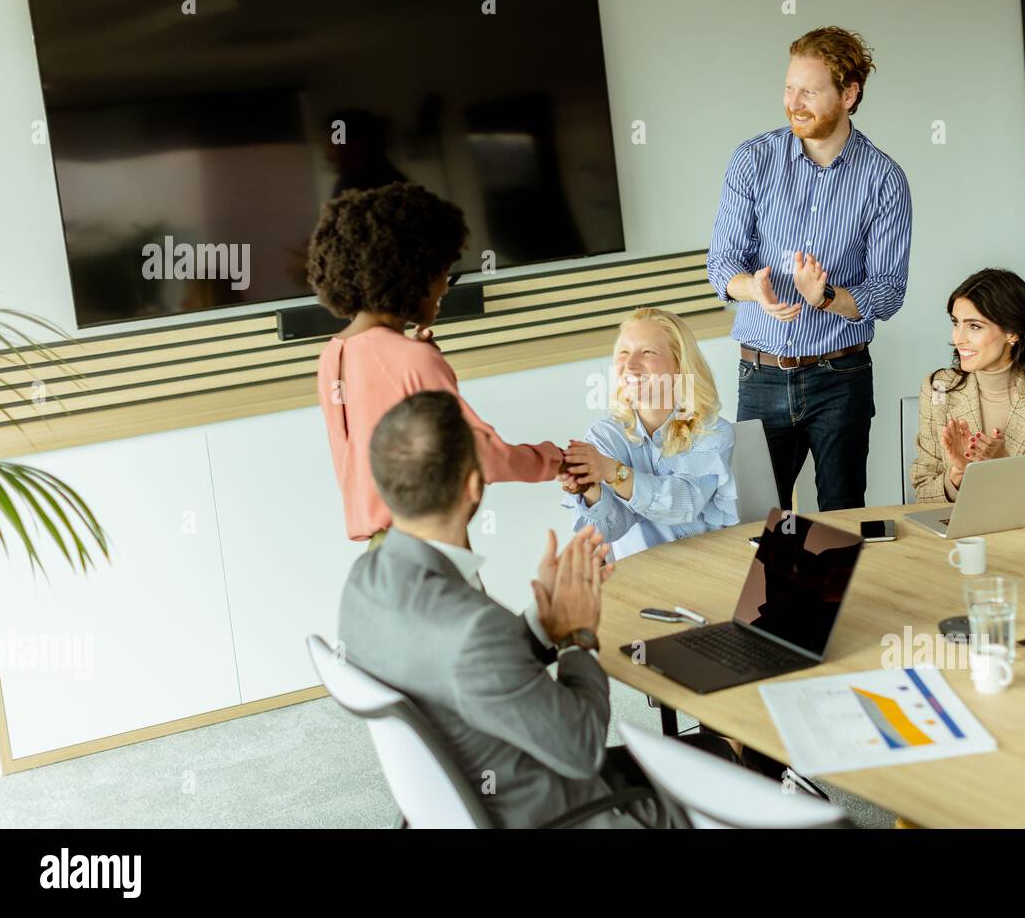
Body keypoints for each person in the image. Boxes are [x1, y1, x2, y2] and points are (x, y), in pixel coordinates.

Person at [337, 391, 740, 828]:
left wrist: (543, 622)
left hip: (473, 793)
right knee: (730, 765)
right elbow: (583, 747)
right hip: (553, 810)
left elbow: (469, 674)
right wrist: (577, 638)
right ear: (474, 485)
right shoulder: (474, 630)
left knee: (707, 752)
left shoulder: (365, 580)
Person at [707, 25, 912, 512]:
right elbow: (722, 264)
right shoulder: (753, 160)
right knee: (757, 520)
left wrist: (825, 297)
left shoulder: (885, 179)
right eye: (789, 87)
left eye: (810, 91)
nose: (794, 102)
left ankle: (840, 593)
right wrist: (753, 290)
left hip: (840, 378)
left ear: (849, 94)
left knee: (841, 519)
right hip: (759, 377)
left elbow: (889, 290)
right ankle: (772, 596)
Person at [309, 182, 562, 544]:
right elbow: (481, 455)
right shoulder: (412, 360)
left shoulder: (333, 355)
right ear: (413, 272)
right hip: (431, 544)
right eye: (443, 270)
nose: (445, 286)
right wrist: (554, 460)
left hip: (382, 555)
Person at [558, 308, 738, 561]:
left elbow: (683, 504)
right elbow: (605, 532)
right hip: (642, 581)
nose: (629, 365)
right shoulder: (605, 437)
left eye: (647, 352)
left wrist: (612, 472)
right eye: (623, 352)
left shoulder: (711, 431)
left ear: (679, 366)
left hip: (707, 570)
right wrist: (589, 488)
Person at [910, 268, 1025, 503]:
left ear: (1012, 333)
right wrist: (958, 475)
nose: (957, 338)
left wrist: (1004, 465)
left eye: (974, 326)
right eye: (956, 322)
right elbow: (922, 493)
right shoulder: (938, 388)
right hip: (958, 535)